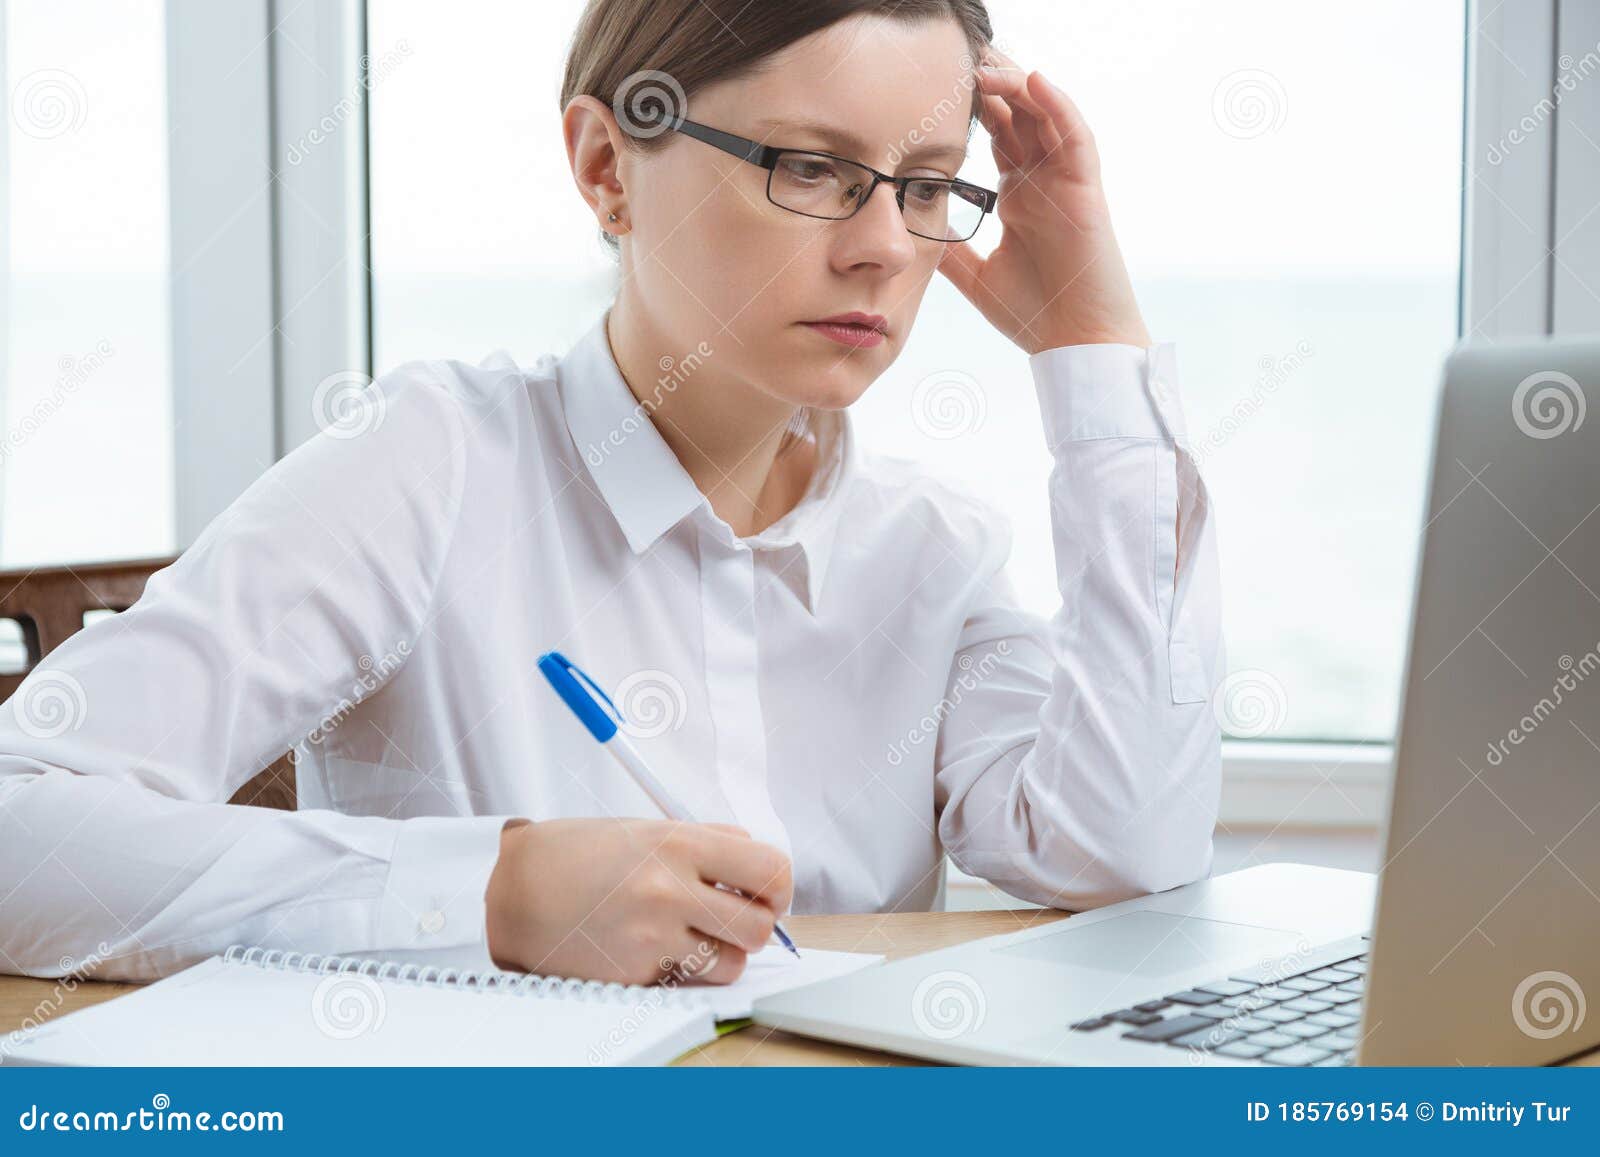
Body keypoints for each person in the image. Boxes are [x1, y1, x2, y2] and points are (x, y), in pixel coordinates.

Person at [0, 0, 1220, 988]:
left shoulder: (932, 547)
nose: (886, 247)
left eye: (923, 184)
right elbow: (19, 831)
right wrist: (494, 891)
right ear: (605, 166)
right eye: (810, 167)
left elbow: (1125, 846)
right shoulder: (429, 464)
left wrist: (1091, 346)